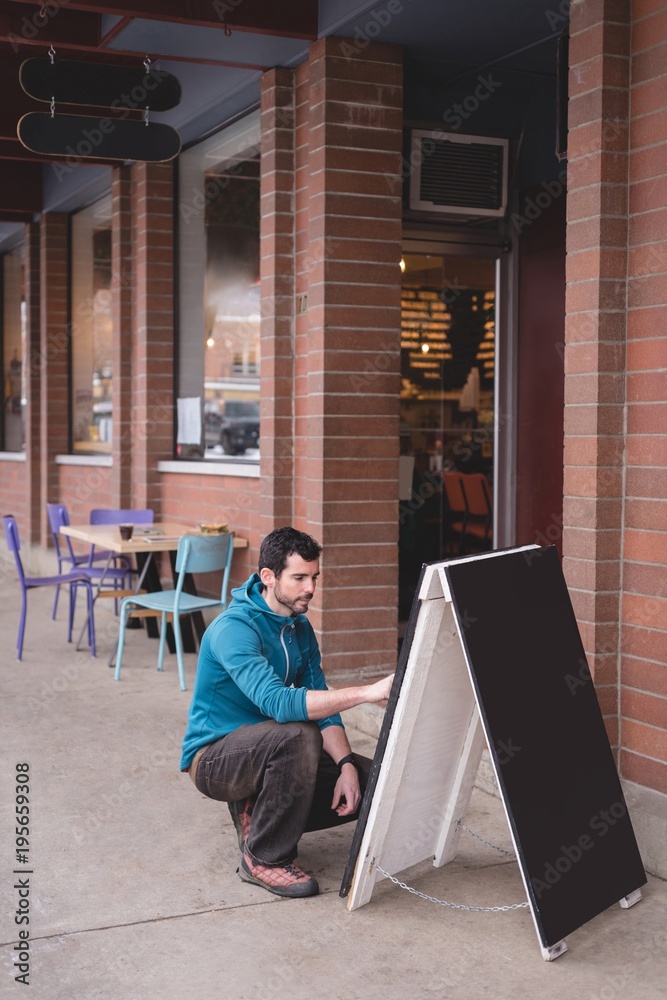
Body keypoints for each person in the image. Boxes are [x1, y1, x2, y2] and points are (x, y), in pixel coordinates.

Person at [180, 526, 394, 899]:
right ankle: (264, 858)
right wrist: (366, 692)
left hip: (271, 750)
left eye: (314, 577)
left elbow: (323, 709)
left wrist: (345, 765)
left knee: (372, 780)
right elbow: (279, 704)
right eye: (299, 578)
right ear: (268, 577)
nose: (310, 588)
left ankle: (259, 811)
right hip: (215, 759)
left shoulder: (300, 627)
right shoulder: (233, 629)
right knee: (297, 733)